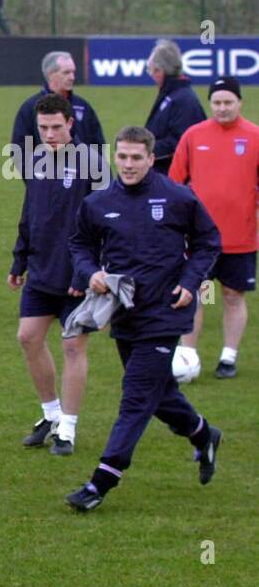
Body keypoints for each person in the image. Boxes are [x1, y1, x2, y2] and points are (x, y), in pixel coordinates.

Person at [65, 126, 222, 513]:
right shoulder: (99, 203)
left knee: (135, 397)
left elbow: (208, 241)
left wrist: (190, 281)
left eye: (137, 157)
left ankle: (103, 479)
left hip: (166, 313)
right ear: (115, 157)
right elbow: (80, 244)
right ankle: (204, 434)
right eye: (123, 157)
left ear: (152, 159)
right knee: (159, 394)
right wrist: (91, 274)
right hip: (125, 313)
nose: (130, 164)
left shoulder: (177, 197)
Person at [8, 94, 102, 456]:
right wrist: (19, 262)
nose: (49, 134)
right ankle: (51, 414)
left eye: (56, 127)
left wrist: (90, 274)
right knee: (28, 337)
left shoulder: (91, 163)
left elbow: (106, 224)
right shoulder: (35, 160)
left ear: (70, 124)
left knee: (72, 347)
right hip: (43, 271)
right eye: (43, 128)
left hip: (79, 276)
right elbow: (29, 216)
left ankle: (69, 430)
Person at [169, 76, 259, 379]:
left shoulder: (255, 136)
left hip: (240, 237)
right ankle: (188, 356)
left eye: (228, 102)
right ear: (210, 104)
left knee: (234, 296)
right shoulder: (194, 136)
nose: (222, 108)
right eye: (217, 102)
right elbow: (174, 183)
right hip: (198, 238)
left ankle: (228, 358)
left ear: (239, 103)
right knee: (192, 293)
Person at [12, 51, 106, 160]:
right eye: (66, 73)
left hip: (82, 175)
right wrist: (37, 175)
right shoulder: (30, 108)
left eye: (73, 72)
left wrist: (93, 171)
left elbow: (99, 145)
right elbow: (19, 151)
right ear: (50, 74)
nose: (72, 77)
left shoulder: (83, 106)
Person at [144, 39, 208, 174]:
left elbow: (181, 143)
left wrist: (143, 148)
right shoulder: (172, 95)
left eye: (152, 71)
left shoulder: (184, 101)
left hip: (172, 178)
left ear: (161, 70)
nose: (152, 76)